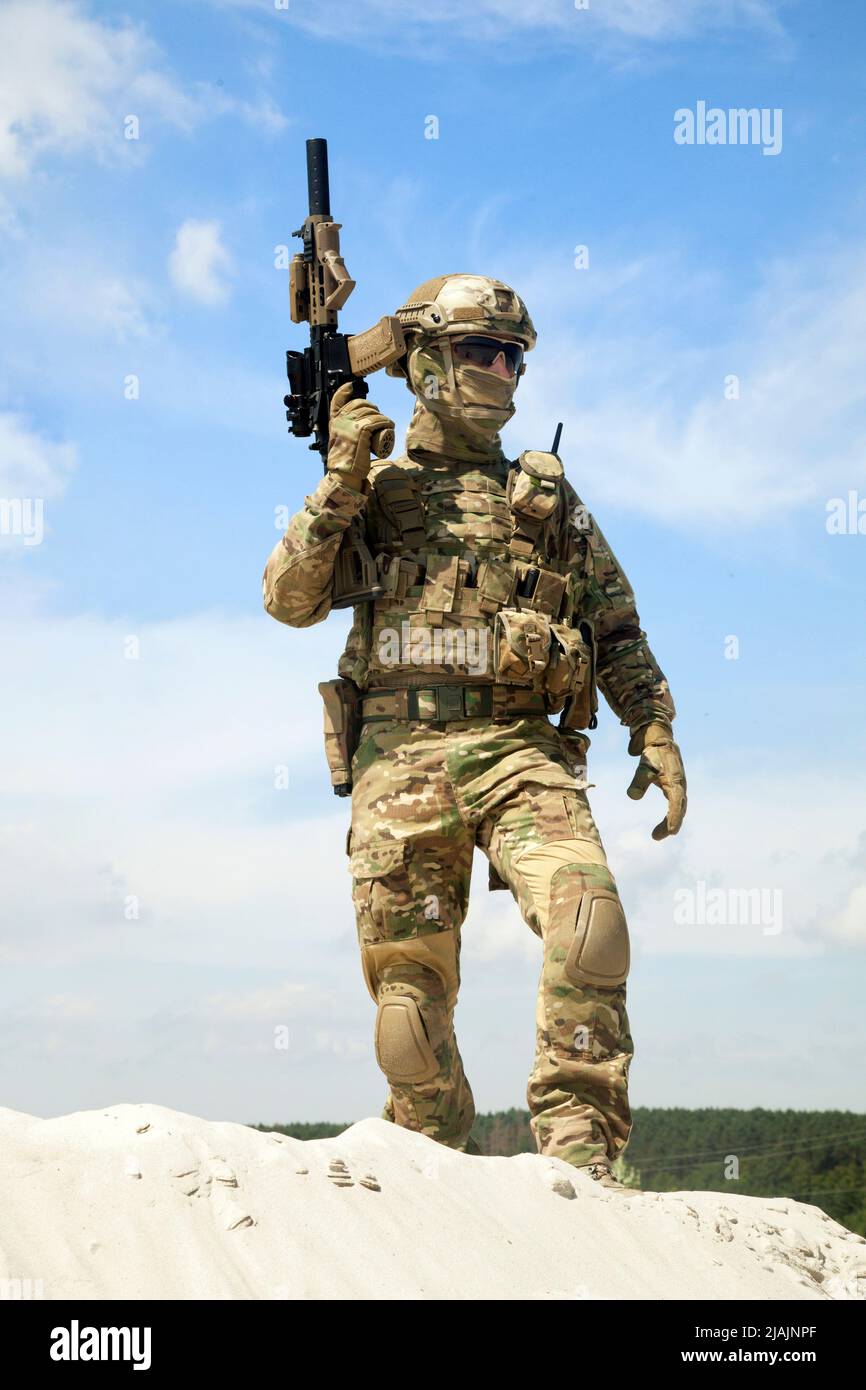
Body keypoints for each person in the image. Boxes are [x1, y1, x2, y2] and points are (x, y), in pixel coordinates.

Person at [263, 274, 686, 1186]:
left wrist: (652, 723)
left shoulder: (543, 501)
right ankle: (431, 1143)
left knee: (590, 922)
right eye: (480, 351)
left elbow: (615, 628)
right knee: (406, 1019)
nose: (503, 370)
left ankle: (579, 1159)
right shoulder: (375, 487)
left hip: (520, 749)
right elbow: (288, 600)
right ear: (422, 364)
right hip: (400, 759)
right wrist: (339, 480)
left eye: (514, 354)